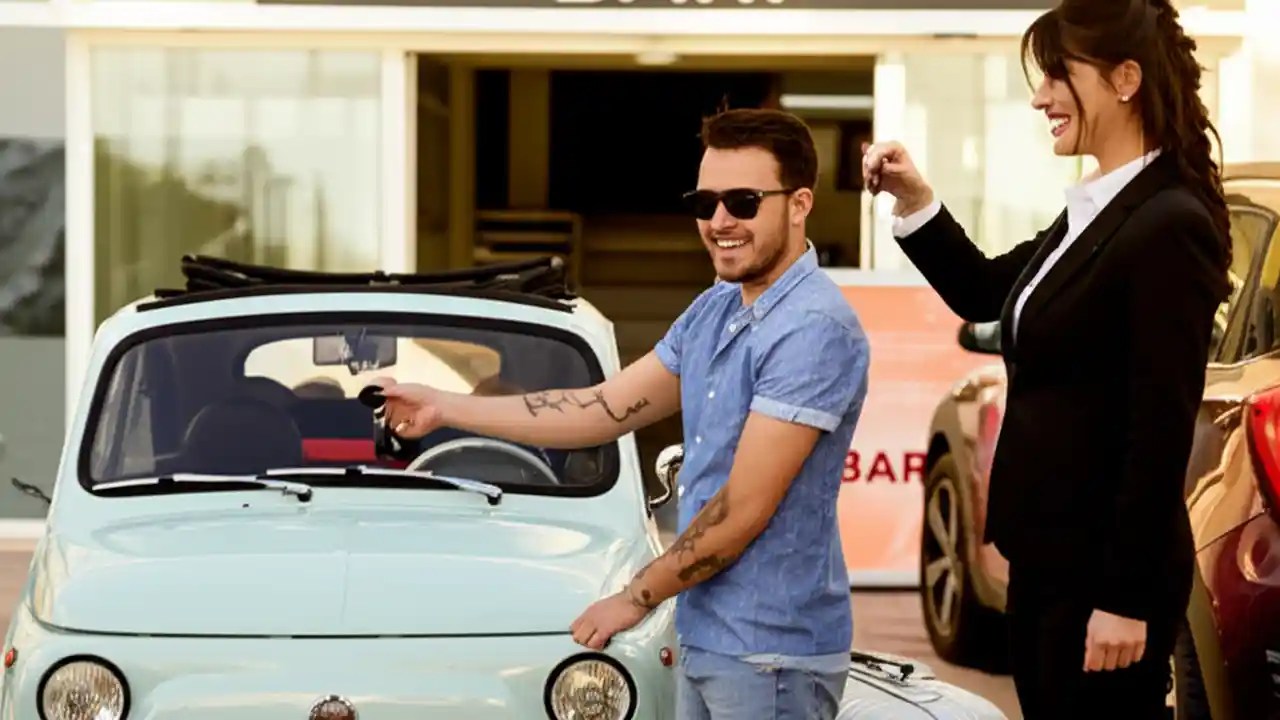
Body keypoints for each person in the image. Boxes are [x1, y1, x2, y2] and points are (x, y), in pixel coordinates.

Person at [373, 107, 870, 720]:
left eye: (743, 201)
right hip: (711, 634)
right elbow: (603, 408)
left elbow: (742, 512)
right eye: (704, 201)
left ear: (799, 204)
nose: (719, 221)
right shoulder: (716, 308)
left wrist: (632, 601)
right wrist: (444, 406)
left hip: (774, 657)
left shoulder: (813, 329)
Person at [861, 0, 1230, 717]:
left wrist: (1123, 601)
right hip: (1046, 565)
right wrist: (918, 201)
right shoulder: (1100, 210)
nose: (1040, 96)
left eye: (1059, 75)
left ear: (1126, 79)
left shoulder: (1168, 223)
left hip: (1101, 586)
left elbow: (1158, 426)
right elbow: (988, 291)